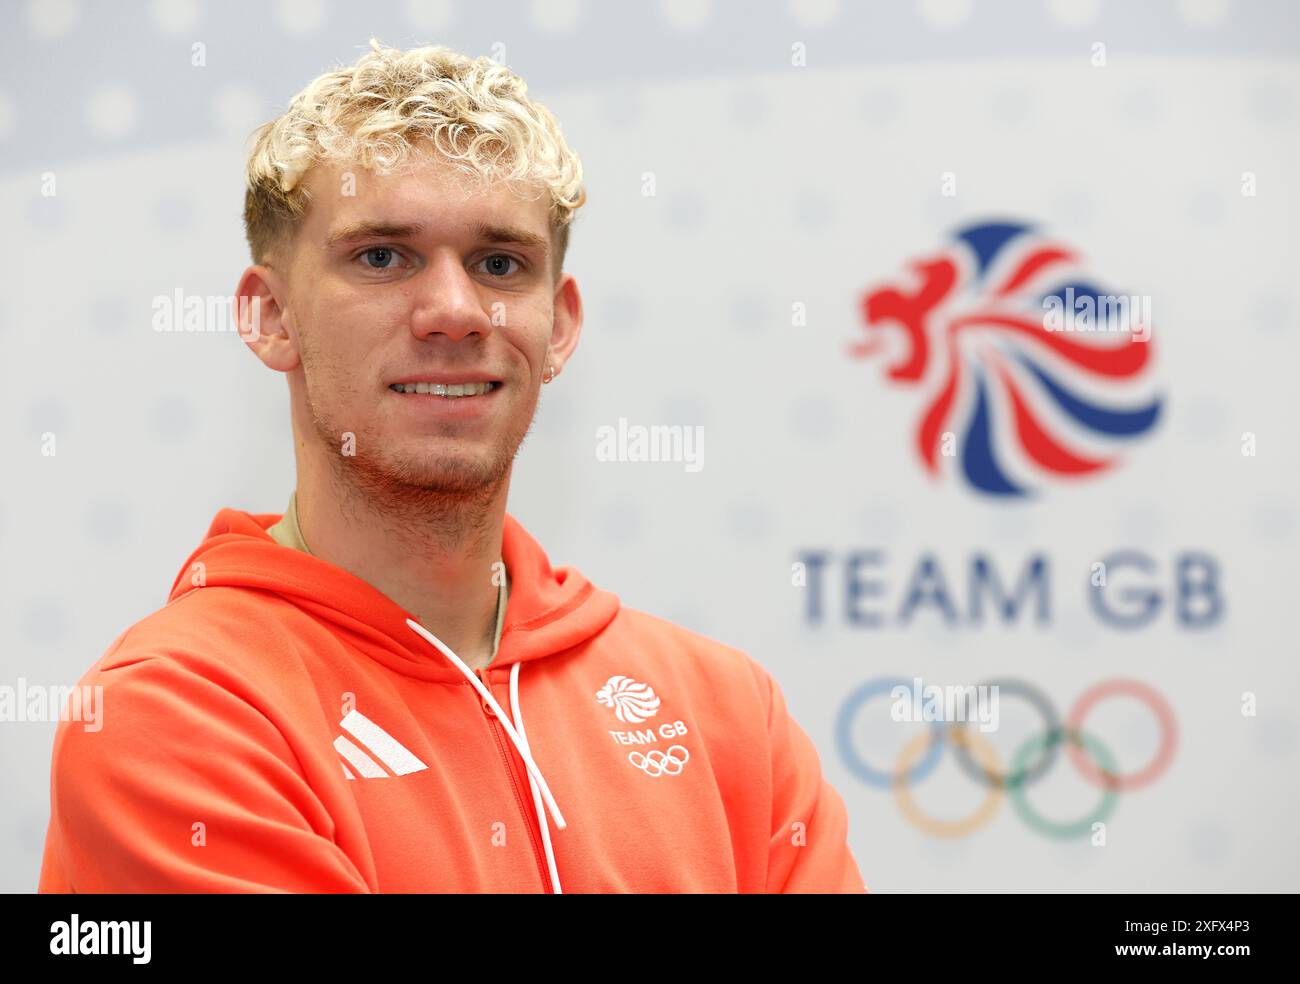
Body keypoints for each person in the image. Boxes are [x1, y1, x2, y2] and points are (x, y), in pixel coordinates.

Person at [37, 39, 865, 894]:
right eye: (383, 257)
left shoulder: (726, 714)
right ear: (271, 315)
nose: (454, 312)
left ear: (561, 326)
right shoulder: (176, 715)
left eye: (499, 263)